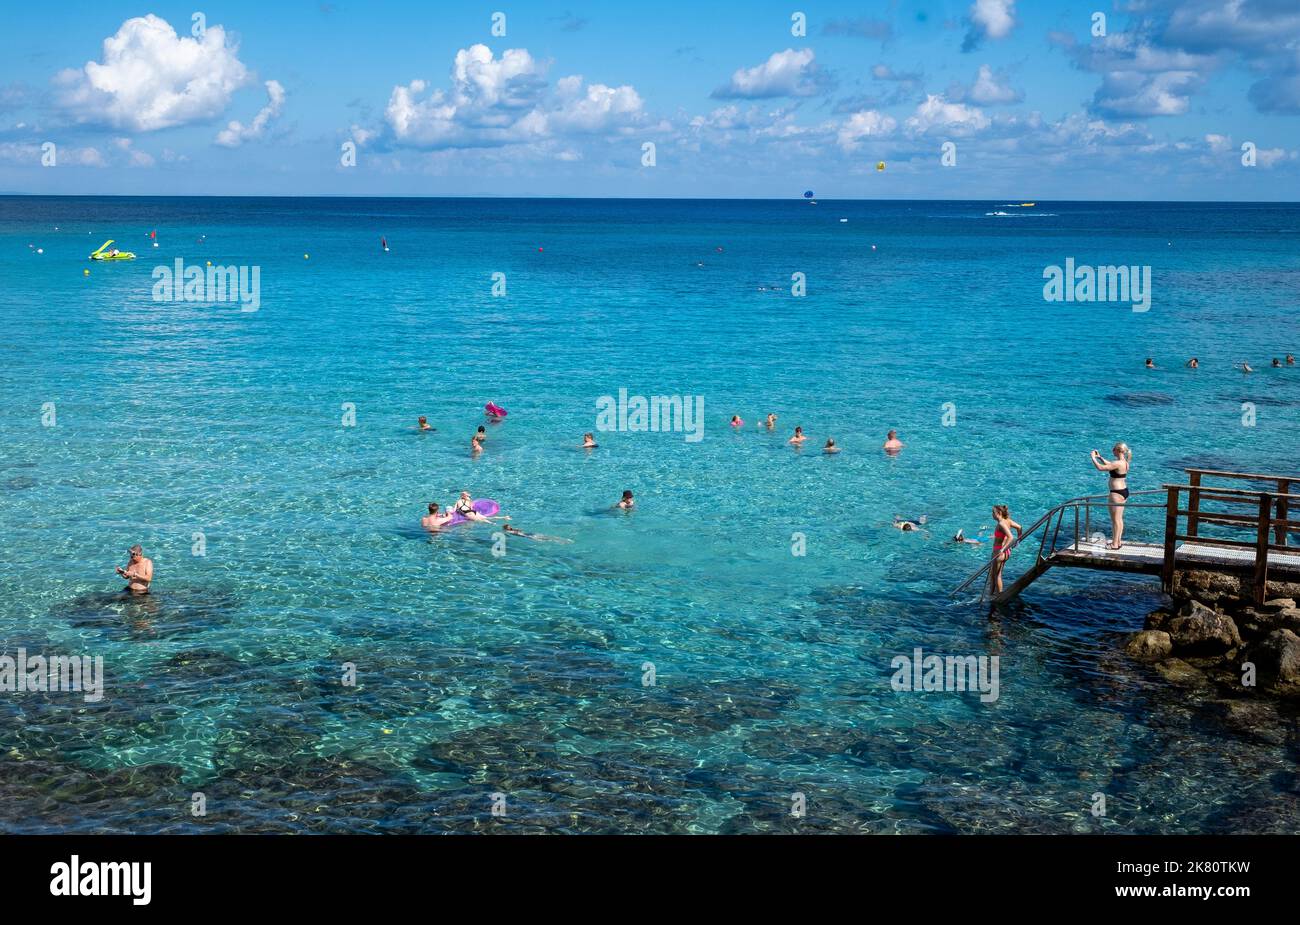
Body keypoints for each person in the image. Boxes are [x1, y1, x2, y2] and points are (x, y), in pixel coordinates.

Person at [1090, 442, 1132, 550]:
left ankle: (1114, 544)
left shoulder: (1118, 463)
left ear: (1118, 450)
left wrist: (1093, 458)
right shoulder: (1125, 462)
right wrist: (1100, 457)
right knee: (1119, 519)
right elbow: (1111, 466)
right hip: (1123, 491)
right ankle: (1118, 542)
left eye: (1113, 449)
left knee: (1115, 520)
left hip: (1116, 493)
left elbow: (1100, 468)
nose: (1112, 450)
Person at [989, 505, 1022, 595]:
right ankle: (991, 595)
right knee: (993, 575)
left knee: (997, 576)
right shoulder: (1008, 521)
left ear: (999, 513)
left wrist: (1002, 549)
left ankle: (998, 595)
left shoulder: (1001, 524)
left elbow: (1010, 537)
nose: (992, 514)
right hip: (1005, 552)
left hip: (999, 552)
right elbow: (1019, 527)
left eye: (993, 512)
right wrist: (1019, 541)